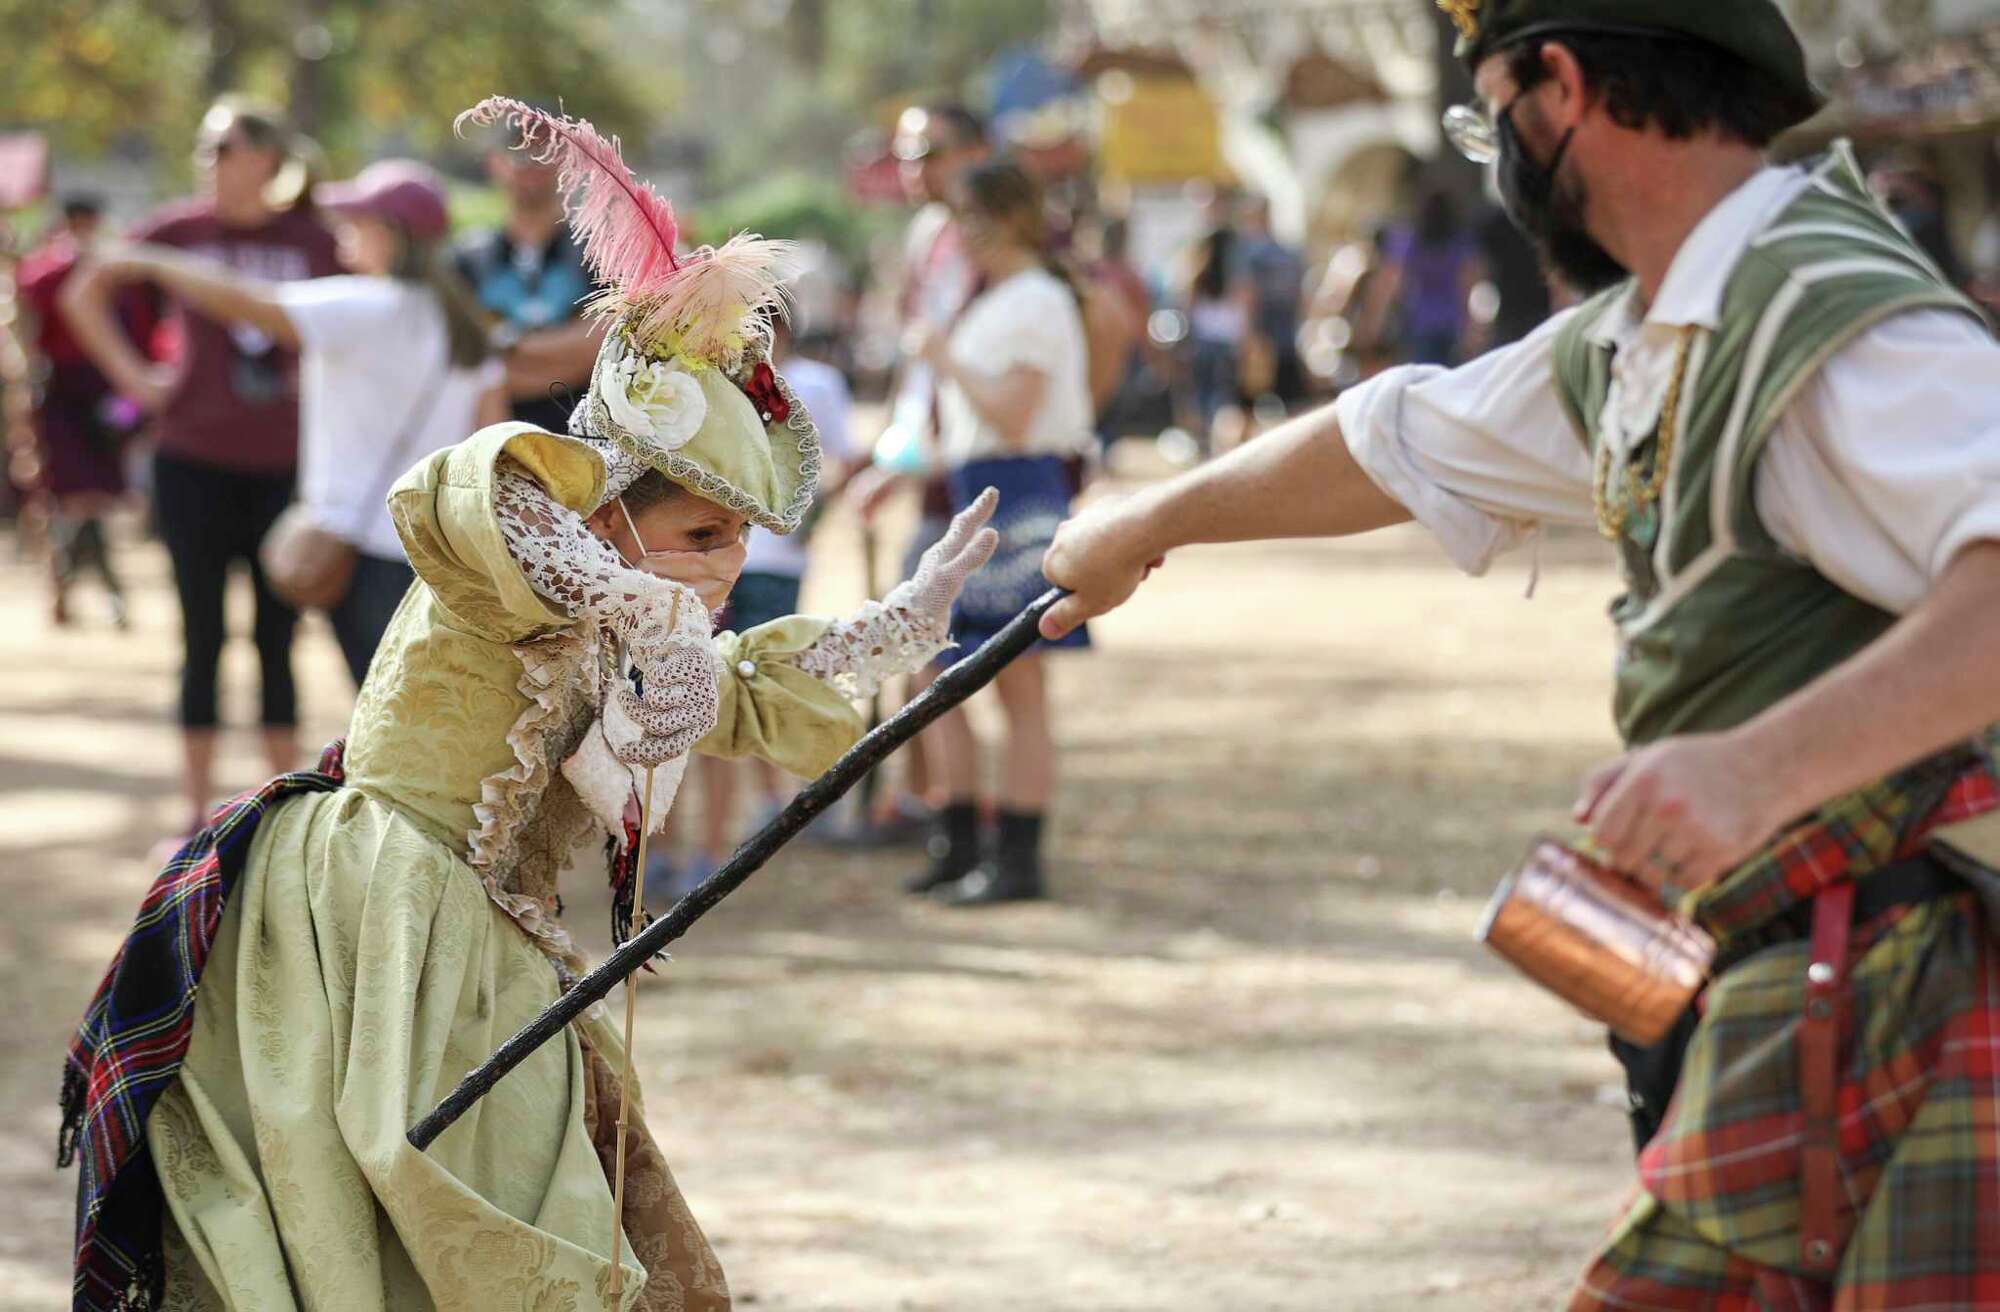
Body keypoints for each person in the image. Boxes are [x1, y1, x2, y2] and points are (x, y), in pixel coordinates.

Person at [1042, 2, 2000, 1304]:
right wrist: (1150, 523)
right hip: (1807, 981)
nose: (1487, 148)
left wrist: (1752, 773)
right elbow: (1406, 437)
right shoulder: (1660, 330)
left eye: (1486, 105)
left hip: (1921, 984)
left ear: (1557, 88)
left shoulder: (1840, 318)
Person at [60, 98, 997, 1312]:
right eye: (699, 532)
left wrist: (903, 623)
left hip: (484, 943)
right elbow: (475, 488)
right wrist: (641, 602)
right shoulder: (512, 552)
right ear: (610, 509)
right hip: (372, 913)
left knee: (525, 1185)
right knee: (381, 1192)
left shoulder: (647, 638)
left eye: (741, 541)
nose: (719, 569)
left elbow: (754, 691)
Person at [83, 161, 509, 685]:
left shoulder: (360, 305)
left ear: (392, 234)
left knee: (377, 713)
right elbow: (492, 440)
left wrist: (153, 261)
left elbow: (242, 300)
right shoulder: (465, 325)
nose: (346, 231)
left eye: (359, 221)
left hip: (358, 547)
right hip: (437, 556)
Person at [62, 96, 340, 838]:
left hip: (287, 469)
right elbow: (82, 288)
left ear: (263, 160)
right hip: (192, 463)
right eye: (204, 149)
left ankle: (279, 807)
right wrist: (136, 382)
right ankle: (196, 808)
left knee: (277, 638)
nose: (207, 162)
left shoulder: (315, 240)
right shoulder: (177, 230)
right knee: (202, 635)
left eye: (221, 149)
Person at [909, 159, 1093, 906]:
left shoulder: (1037, 300)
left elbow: (1014, 412)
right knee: (938, 670)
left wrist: (943, 358)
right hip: (975, 488)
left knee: (1016, 683)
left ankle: (1016, 854)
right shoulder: (992, 299)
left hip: (1019, 491)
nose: (963, 236)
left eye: (974, 219)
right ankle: (960, 840)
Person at [647, 309, 859, 900]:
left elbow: (825, 462)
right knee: (662, 708)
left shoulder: (799, 387)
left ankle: (714, 848)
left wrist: (804, 517)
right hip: (678, 573)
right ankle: (664, 849)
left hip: (748, 570)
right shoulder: (678, 391)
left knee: (728, 693)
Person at [861, 103, 992, 855]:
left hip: (991, 468)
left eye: (933, 152)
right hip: (935, 473)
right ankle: (944, 816)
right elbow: (919, 367)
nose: (916, 170)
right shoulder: (925, 239)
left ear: (978, 150)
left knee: (964, 664)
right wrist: (890, 457)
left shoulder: (1004, 239)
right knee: (926, 653)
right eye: (905, 155)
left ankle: (970, 826)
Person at [12, 193, 132, 628]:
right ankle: (97, 590)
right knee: (75, 497)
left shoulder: (102, 268)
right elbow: (25, 324)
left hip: (94, 388)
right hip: (71, 387)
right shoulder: (55, 270)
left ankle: (70, 588)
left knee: (86, 498)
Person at [456, 113, 606, 432]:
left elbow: (604, 348)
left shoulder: (602, 250)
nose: (531, 164)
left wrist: (504, 346)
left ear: (566, 161)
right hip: (495, 448)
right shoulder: (466, 258)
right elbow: (462, 361)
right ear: (494, 162)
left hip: (591, 447)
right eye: (517, 152)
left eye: (544, 151)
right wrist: (569, 353)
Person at [1232, 195, 1308, 408]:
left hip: (1259, 340)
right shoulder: (1288, 254)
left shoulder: (1248, 254)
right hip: (1286, 338)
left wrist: (1247, 337)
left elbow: (1247, 295)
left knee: (1244, 407)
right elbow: (1301, 297)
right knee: (1292, 407)